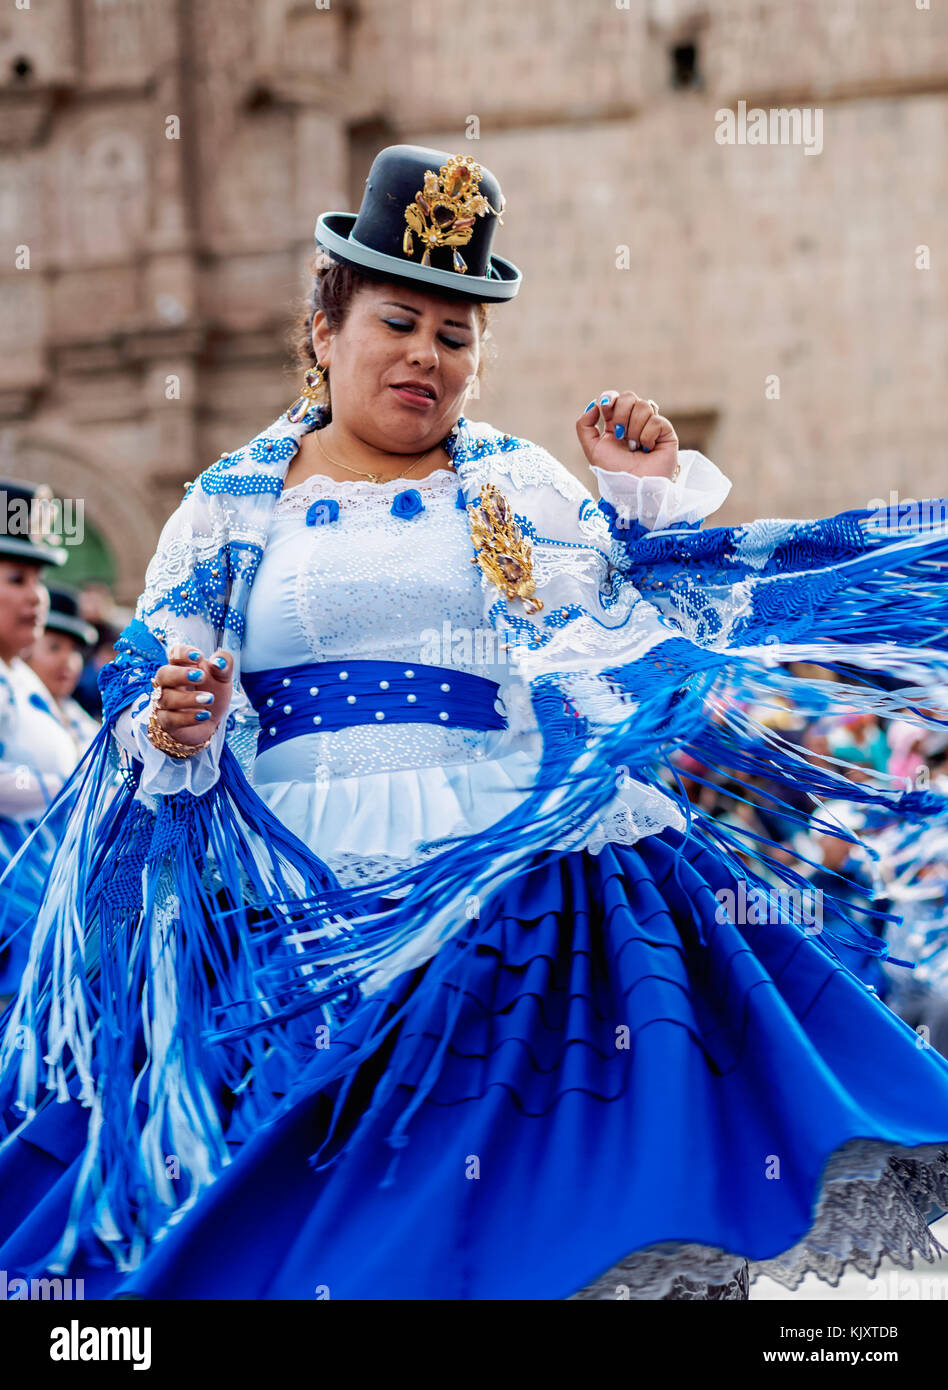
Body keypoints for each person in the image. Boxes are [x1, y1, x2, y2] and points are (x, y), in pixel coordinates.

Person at [3, 144, 948, 1301]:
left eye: (455, 337)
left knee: (497, 1190)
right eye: (398, 323)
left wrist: (637, 502)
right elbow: (156, 695)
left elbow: (623, 635)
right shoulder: (229, 506)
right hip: (295, 894)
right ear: (324, 329)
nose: (425, 356)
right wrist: (174, 726)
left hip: (497, 862)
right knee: (308, 1194)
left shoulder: (521, 486)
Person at [0, 482, 80, 1002]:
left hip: (42, 906)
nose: (37, 596)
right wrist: (65, 789)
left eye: (40, 579)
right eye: (16, 578)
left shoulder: (20, 676)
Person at [25, 585, 101, 758]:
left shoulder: (76, 716)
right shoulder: (12, 709)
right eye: (54, 647)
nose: (68, 662)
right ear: (25, 651)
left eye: (75, 650)